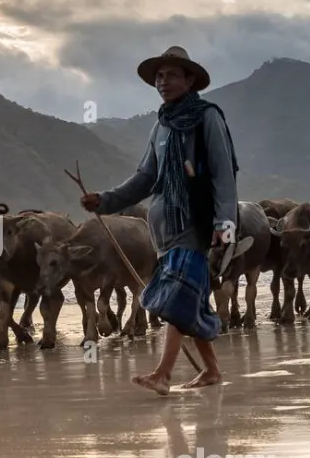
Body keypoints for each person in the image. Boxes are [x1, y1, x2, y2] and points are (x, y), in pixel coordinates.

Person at [81, 46, 239, 396]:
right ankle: (212, 371)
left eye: (169, 75)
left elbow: (223, 173)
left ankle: (162, 374)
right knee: (190, 299)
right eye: (158, 77)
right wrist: (105, 201)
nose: (162, 82)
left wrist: (224, 223)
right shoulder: (161, 126)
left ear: (189, 79)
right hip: (163, 232)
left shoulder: (207, 117)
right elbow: (144, 178)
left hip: (194, 224)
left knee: (176, 299)